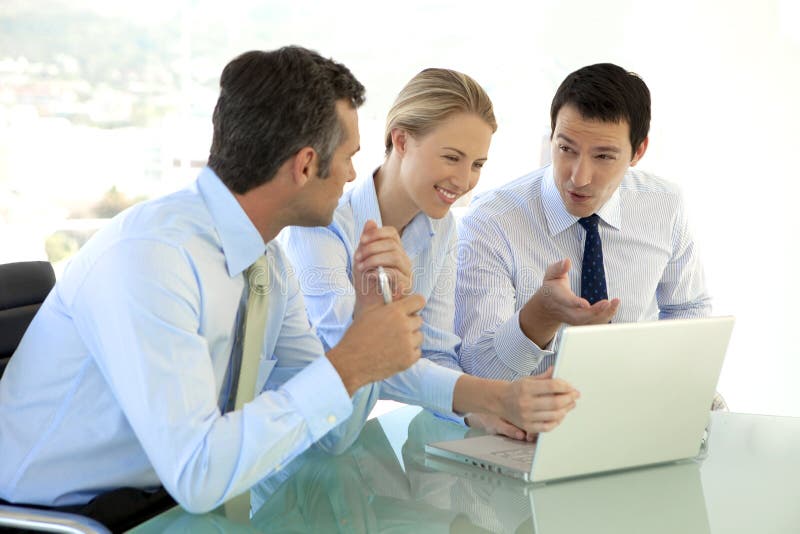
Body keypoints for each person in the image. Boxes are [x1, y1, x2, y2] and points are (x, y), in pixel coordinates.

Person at [0, 46, 427, 521]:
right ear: (305, 165)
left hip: (169, 506)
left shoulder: (266, 263)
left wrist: (366, 321)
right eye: (349, 158)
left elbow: (332, 434)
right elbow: (200, 474)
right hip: (64, 520)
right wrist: (350, 365)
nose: (352, 175)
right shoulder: (151, 259)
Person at [281, 68, 580, 441]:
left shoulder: (442, 228)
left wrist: (477, 414)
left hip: (360, 448)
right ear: (402, 140)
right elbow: (359, 362)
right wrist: (497, 397)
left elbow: (435, 352)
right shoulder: (321, 225)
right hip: (299, 449)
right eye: (452, 157)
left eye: (477, 165)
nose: (464, 180)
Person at [455, 62, 713, 384]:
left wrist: (672, 382)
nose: (579, 177)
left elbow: (687, 307)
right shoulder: (491, 221)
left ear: (638, 151)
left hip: (632, 402)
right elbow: (479, 372)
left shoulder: (664, 204)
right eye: (566, 149)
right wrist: (542, 315)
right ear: (552, 137)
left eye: (604, 156)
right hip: (527, 421)